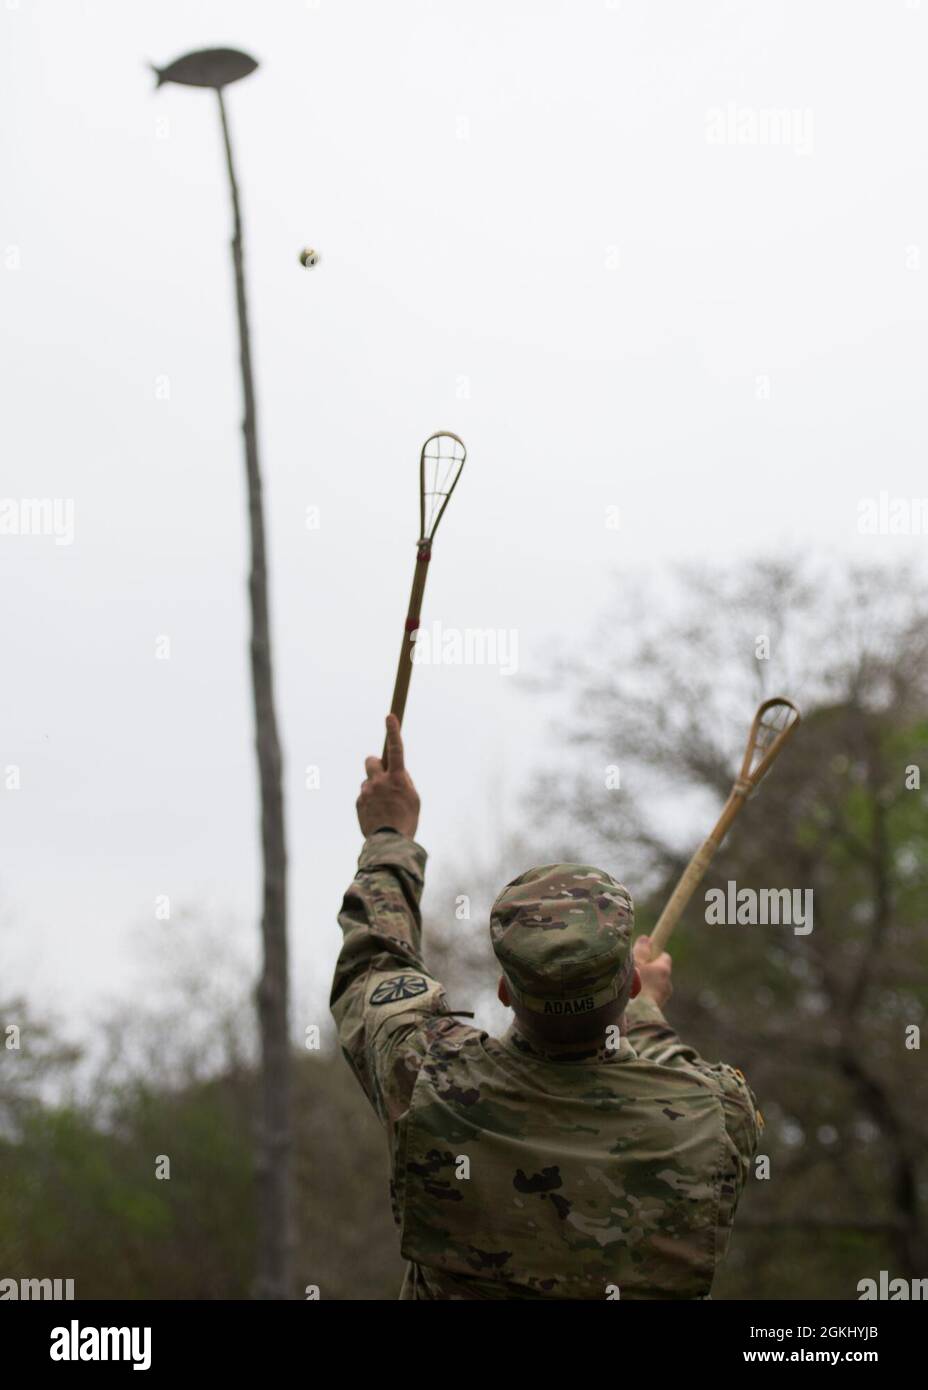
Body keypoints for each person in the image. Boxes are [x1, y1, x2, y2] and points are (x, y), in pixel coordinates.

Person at [330, 714, 763, 1300]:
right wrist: (647, 1016)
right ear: (632, 985)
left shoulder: (427, 1080)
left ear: (506, 992)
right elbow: (674, 1079)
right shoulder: (718, 1119)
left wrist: (389, 836)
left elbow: (374, 965)